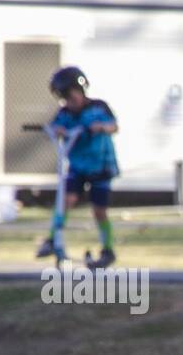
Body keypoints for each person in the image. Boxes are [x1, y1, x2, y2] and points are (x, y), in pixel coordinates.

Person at [35, 66, 120, 269]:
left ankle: (107, 249)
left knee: (99, 210)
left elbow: (114, 126)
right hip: (78, 166)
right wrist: (57, 131)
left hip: (101, 165)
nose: (69, 101)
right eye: (65, 97)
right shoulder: (64, 113)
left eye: (71, 95)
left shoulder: (98, 108)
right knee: (66, 199)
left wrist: (100, 127)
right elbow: (55, 127)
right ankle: (53, 240)